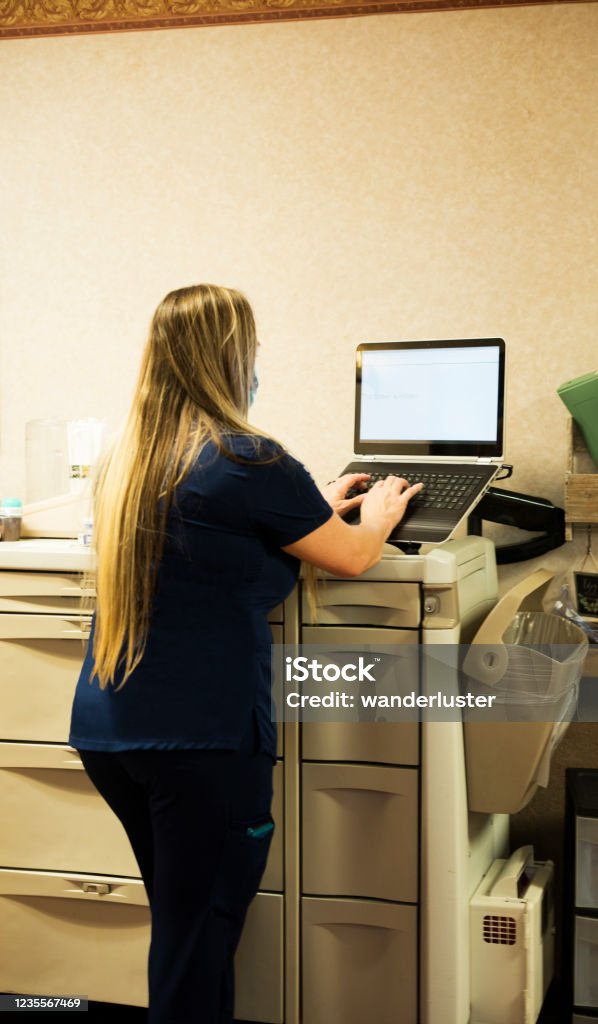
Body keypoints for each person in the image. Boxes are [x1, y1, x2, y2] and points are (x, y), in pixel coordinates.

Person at [68, 283, 422, 1024]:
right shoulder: (247, 458)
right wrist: (381, 513)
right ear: (234, 359)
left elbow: (214, 537)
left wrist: (309, 500)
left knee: (185, 923)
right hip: (201, 743)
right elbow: (353, 558)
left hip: (112, 733)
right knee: (198, 938)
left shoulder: (129, 462)